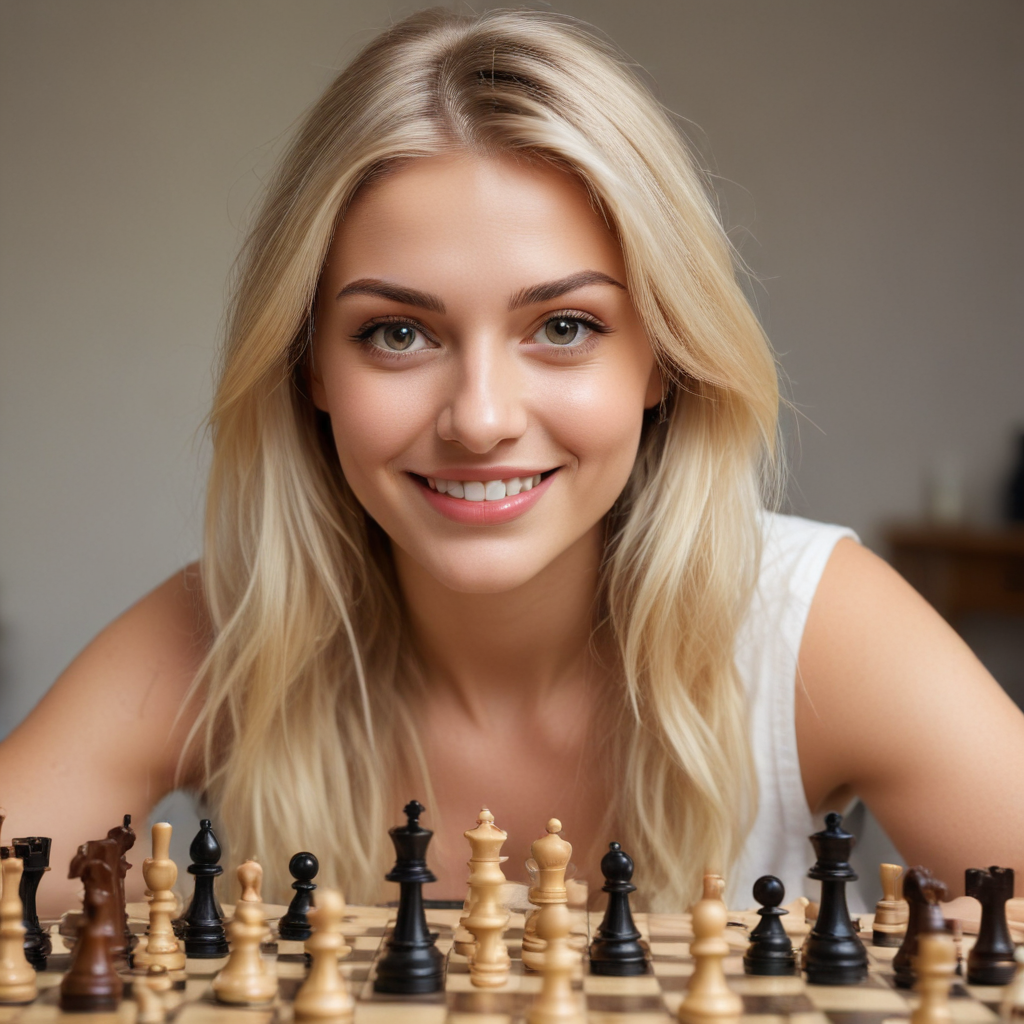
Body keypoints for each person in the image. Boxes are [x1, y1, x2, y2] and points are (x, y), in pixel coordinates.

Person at [3, 8, 1023, 917]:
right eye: (397, 333)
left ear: (661, 360)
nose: (481, 419)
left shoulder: (812, 627)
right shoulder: (226, 630)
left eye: (564, 325)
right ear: (307, 365)